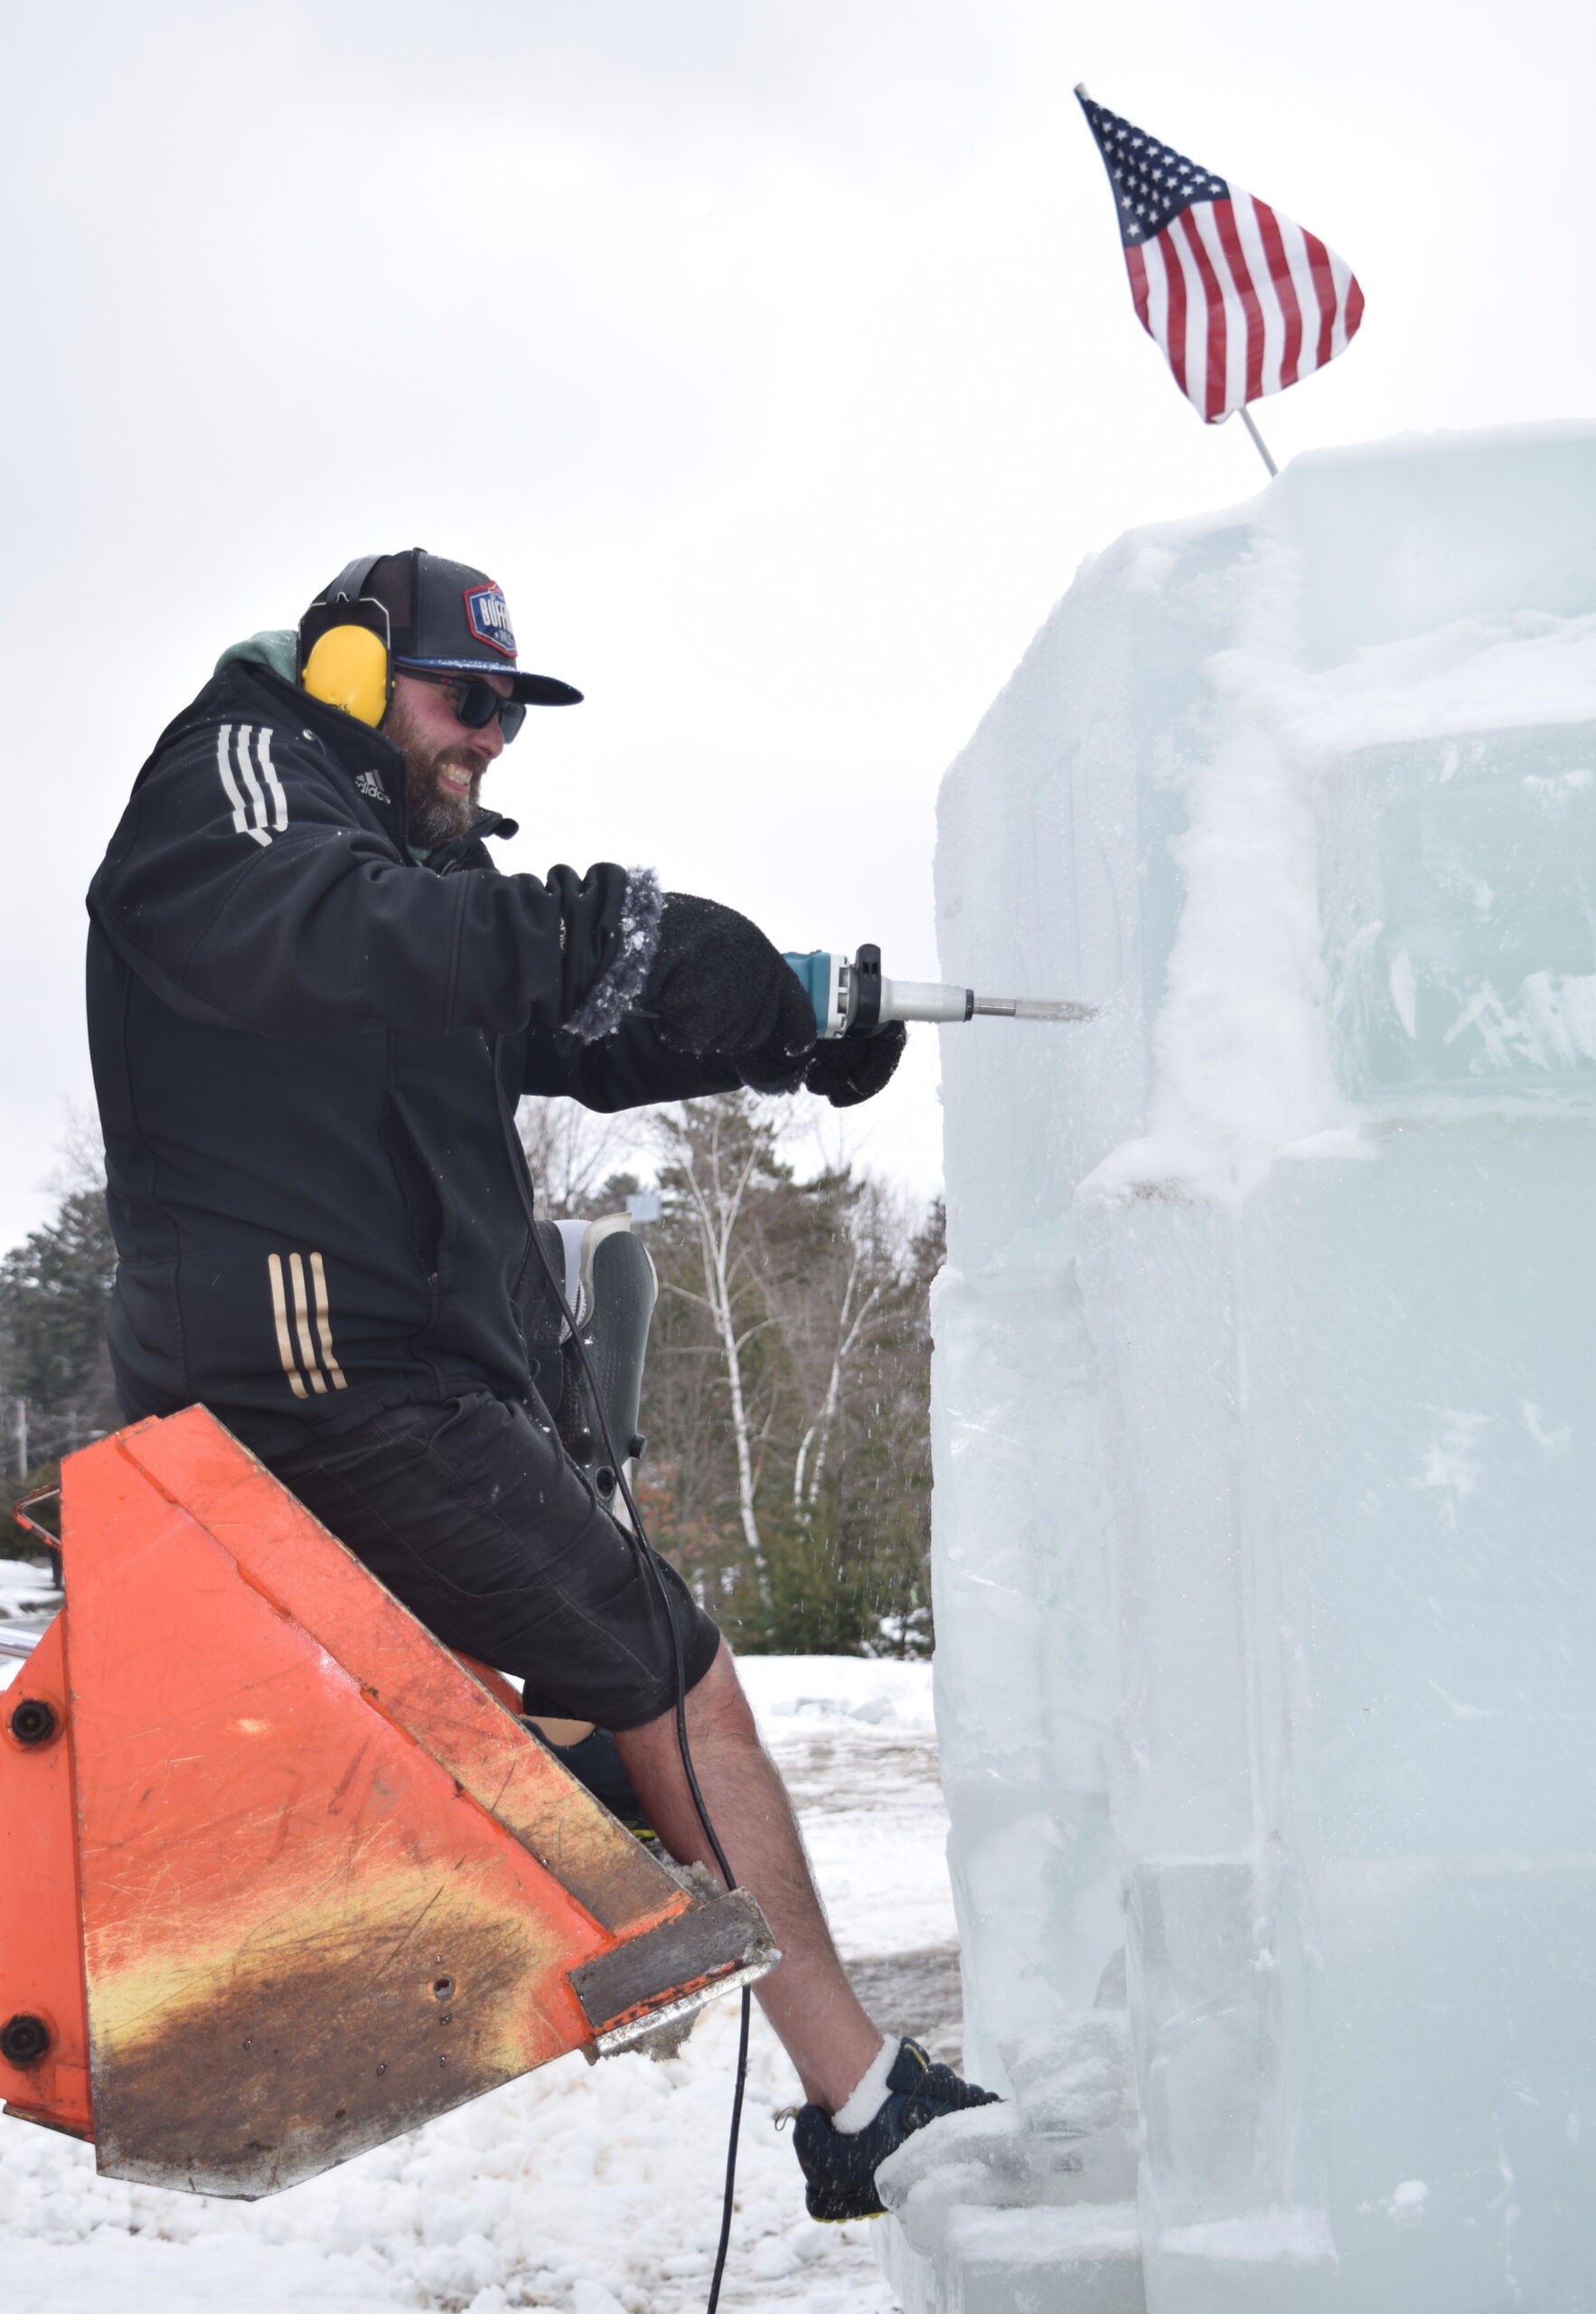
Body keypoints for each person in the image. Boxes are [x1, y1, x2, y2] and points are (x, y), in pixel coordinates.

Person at [85, 549, 994, 2221]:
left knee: (596, 1718)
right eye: (467, 699)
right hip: (314, 1383)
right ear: (352, 674)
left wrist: (772, 1024)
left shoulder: (397, 880)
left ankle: (619, 1912)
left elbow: (553, 1027)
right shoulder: (236, 797)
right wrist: (610, 929)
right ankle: (857, 2102)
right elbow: (370, 939)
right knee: (673, 1674)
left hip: (408, 1384)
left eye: (510, 712)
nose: (492, 739)